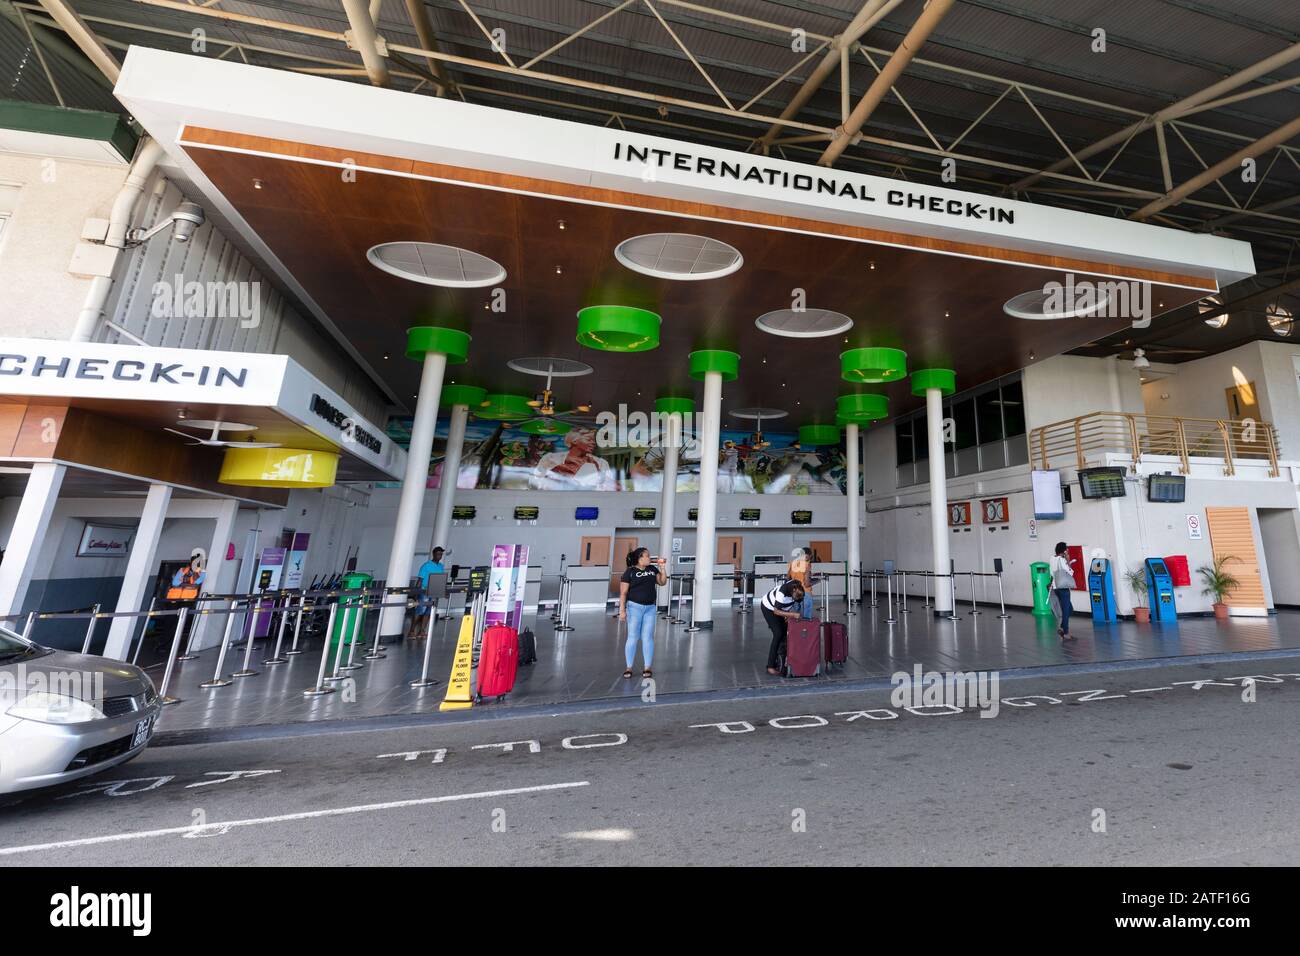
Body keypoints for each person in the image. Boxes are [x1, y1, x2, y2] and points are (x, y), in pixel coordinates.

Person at [619, 547, 666, 679]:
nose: (649, 558)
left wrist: (662, 568)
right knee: (633, 636)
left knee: (648, 637)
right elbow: (623, 593)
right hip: (634, 607)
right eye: (646, 556)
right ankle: (629, 667)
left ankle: (647, 667)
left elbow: (662, 582)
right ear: (639, 559)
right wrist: (622, 610)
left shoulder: (652, 569)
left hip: (650, 608)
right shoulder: (630, 572)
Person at [761, 578, 807, 676]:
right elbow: (776, 611)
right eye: (794, 599)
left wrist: (788, 613)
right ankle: (770, 666)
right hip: (769, 608)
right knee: (778, 634)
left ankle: (783, 660)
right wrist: (792, 615)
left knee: (787, 632)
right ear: (791, 593)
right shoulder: (782, 592)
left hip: (783, 609)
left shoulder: (798, 587)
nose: (795, 601)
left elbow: (795, 601)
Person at [409, 547, 446, 637]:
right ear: (433, 554)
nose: (439, 556)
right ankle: (412, 631)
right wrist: (416, 593)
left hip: (434, 591)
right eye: (438, 554)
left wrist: (443, 591)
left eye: (441, 554)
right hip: (424, 591)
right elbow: (420, 580)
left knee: (428, 613)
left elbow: (441, 579)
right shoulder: (426, 565)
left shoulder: (441, 566)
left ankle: (422, 631)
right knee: (419, 611)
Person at [1051, 542, 1077, 641]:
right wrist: (1068, 560)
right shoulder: (1062, 560)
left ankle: (1062, 627)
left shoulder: (1052, 558)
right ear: (1064, 551)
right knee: (1066, 610)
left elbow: (1052, 572)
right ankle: (1066, 633)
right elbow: (1070, 572)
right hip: (1063, 587)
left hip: (1055, 586)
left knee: (1069, 609)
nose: (1068, 551)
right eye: (1066, 549)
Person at [787, 547, 815, 620]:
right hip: (805, 591)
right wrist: (814, 582)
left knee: (796, 611)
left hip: (794, 590)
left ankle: (796, 627)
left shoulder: (792, 563)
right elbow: (806, 583)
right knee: (807, 611)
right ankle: (806, 626)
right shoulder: (807, 564)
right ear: (808, 555)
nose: (810, 558)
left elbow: (788, 577)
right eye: (810, 556)